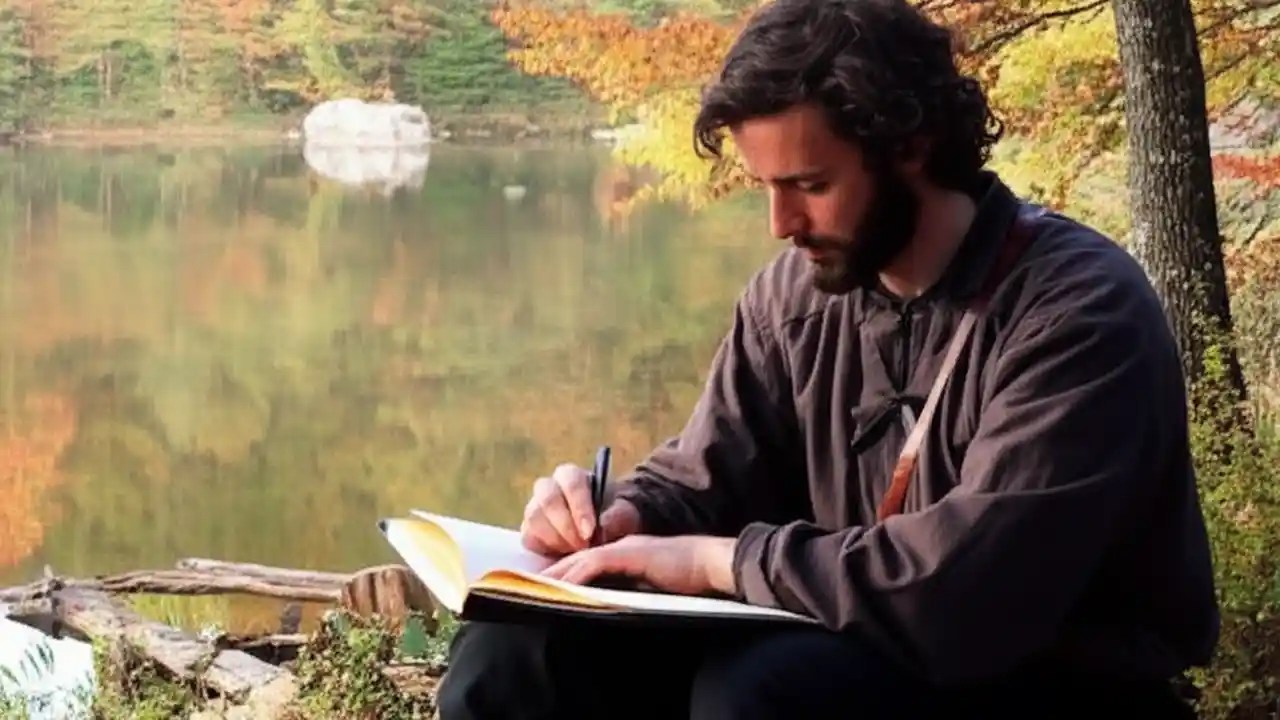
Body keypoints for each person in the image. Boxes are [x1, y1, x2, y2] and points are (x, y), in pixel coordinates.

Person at [435, 0, 1221, 718]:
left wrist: (714, 562)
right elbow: (706, 474)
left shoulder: (1078, 309)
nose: (781, 222)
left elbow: (966, 594)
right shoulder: (794, 297)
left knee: (761, 691)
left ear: (910, 145)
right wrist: (618, 520)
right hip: (846, 637)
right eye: (765, 187)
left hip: (1051, 682)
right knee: (514, 653)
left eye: (810, 184)